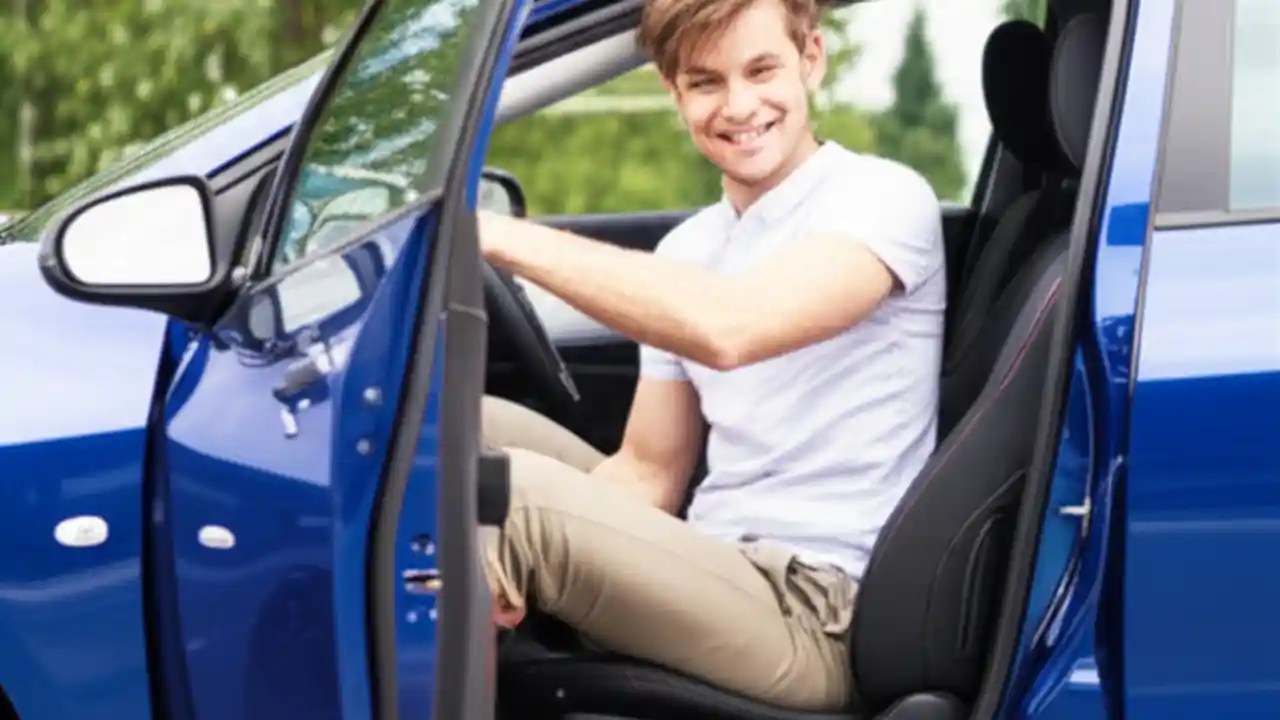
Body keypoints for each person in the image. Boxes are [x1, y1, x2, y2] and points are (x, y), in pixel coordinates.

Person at [475, 0, 946, 710]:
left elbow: (731, 326)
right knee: (458, 430)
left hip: (817, 610)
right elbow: (650, 472)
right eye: (706, 82)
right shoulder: (690, 250)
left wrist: (484, 232)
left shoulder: (881, 201)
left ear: (810, 58)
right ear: (673, 90)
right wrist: (508, 556)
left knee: (510, 503)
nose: (740, 106)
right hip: (720, 559)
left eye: (762, 71)